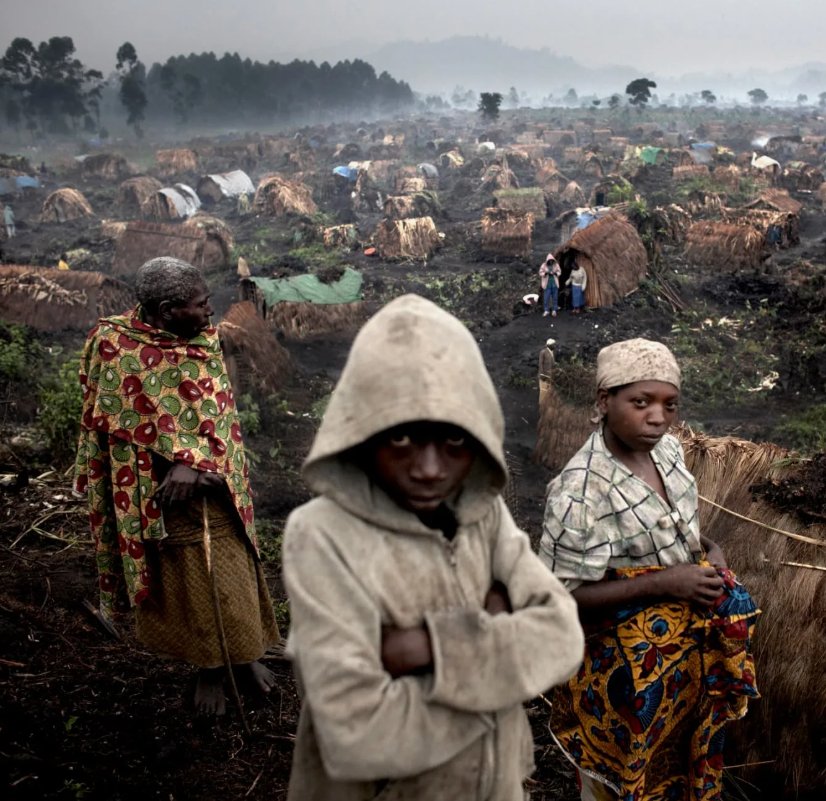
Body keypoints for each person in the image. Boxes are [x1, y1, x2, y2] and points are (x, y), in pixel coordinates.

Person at [282, 294, 585, 801]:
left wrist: (426, 648)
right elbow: (358, 733)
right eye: (401, 439)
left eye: (454, 443)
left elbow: (562, 636)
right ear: (363, 433)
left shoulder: (483, 516)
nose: (428, 468)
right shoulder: (322, 536)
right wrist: (501, 656)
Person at [539, 339, 760, 801]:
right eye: (641, 402)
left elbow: (678, 530)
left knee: (677, 771)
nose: (658, 417)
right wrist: (666, 582)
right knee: (617, 785)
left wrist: (709, 552)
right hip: (621, 679)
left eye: (669, 404)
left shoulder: (669, 454)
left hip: (679, 667)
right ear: (604, 402)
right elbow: (559, 598)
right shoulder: (580, 492)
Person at [75, 257, 279, 716]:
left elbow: (215, 416)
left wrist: (202, 464)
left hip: (217, 486)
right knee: (189, 577)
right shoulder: (115, 347)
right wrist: (171, 467)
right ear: (167, 310)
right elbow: (110, 419)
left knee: (233, 564)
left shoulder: (199, 340)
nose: (210, 313)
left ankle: (245, 656)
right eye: (200, 305)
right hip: (158, 493)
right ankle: (208, 668)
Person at [538, 338, 555, 405]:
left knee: (549, 390)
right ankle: (542, 406)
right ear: (549, 345)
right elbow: (540, 363)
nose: (555, 346)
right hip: (544, 375)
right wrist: (542, 374)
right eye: (553, 345)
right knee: (543, 391)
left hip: (550, 375)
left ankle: (547, 405)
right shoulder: (543, 352)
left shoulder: (552, 352)